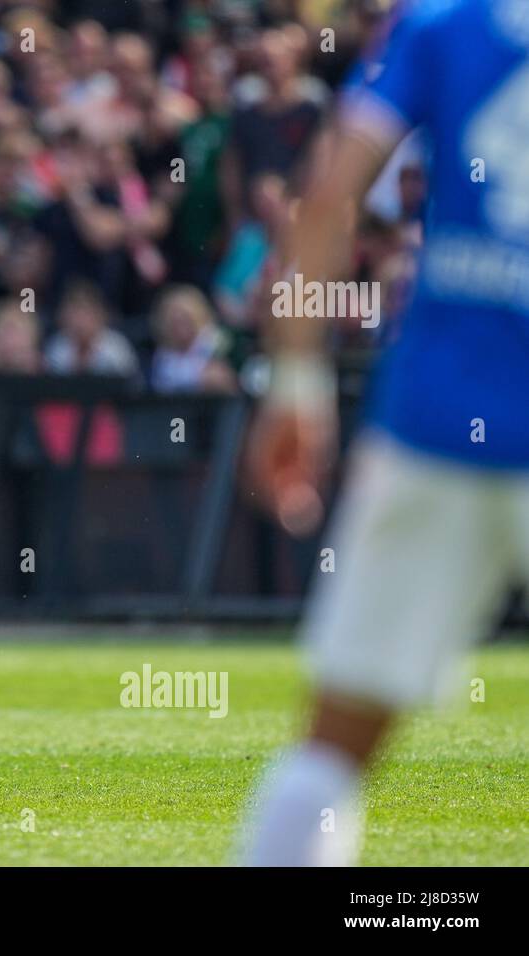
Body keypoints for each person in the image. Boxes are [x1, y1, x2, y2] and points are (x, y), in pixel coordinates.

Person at [242, 0, 529, 864]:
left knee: (332, 750)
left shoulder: (446, 23)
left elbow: (328, 195)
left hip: (434, 422)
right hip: (439, 422)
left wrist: (296, 381)